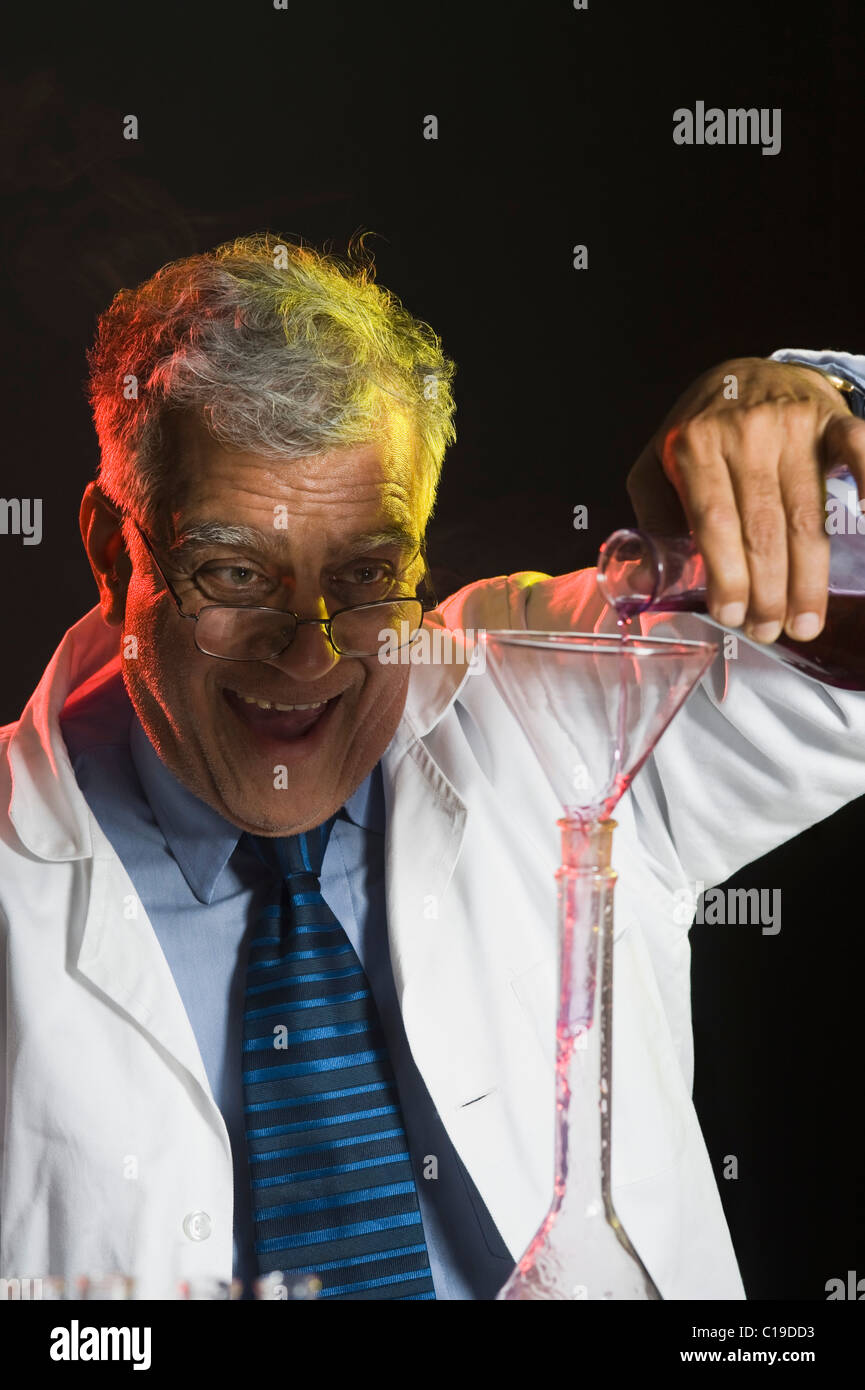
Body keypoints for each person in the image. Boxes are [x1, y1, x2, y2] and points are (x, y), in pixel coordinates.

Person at [1, 234, 863, 1300]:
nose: (310, 651)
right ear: (105, 548)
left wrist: (816, 431)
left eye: (368, 572)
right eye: (232, 571)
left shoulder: (552, 704)